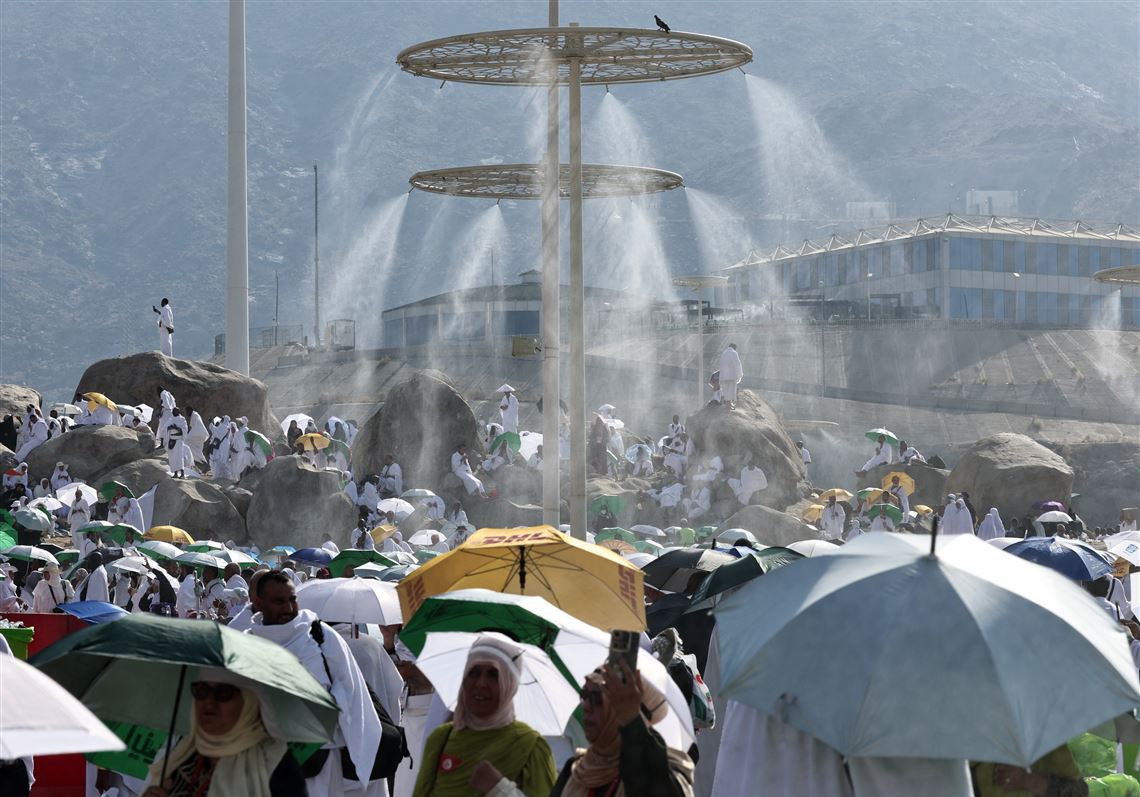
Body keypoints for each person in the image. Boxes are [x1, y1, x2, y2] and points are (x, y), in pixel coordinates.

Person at [247, 571, 382, 796]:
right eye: (279, 601)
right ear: (258, 603)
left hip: (322, 762)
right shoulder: (246, 643)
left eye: (292, 600)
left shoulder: (321, 636)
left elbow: (353, 694)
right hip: (267, 762)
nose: (289, 609)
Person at [412, 633, 557, 797]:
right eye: (474, 672)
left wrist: (500, 789)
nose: (481, 683)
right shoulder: (440, 738)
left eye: (493, 675)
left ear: (510, 684)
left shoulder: (531, 747)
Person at [142, 674, 306, 797]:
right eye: (202, 691)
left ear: (249, 702)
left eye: (223, 693)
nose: (209, 702)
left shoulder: (275, 766)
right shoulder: (183, 754)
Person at [550, 660, 693, 797]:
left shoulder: (667, 773)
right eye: (584, 695)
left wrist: (632, 723)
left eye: (597, 698)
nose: (586, 706)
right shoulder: (576, 770)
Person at [166, 408, 191, 478]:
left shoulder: (182, 419)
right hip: (171, 439)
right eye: (173, 411)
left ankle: (182, 474)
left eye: (175, 411)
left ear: (178, 411)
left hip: (178, 440)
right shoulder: (170, 419)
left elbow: (185, 430)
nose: (174, 412)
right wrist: (169, 428)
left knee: (179, 457)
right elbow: (165, 428)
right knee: (173, 458)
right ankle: (175, 473)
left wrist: (176, 428)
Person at [718, 343, 743, 410]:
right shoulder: (734, 353)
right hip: (731, 376)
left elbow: (721, 365)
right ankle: (728, 409)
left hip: (723, 377)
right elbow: (737, 364)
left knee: (726, 392)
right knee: (731, 392)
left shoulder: (724, 353)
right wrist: (740, 374)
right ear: (734, 348)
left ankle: (728, 405)